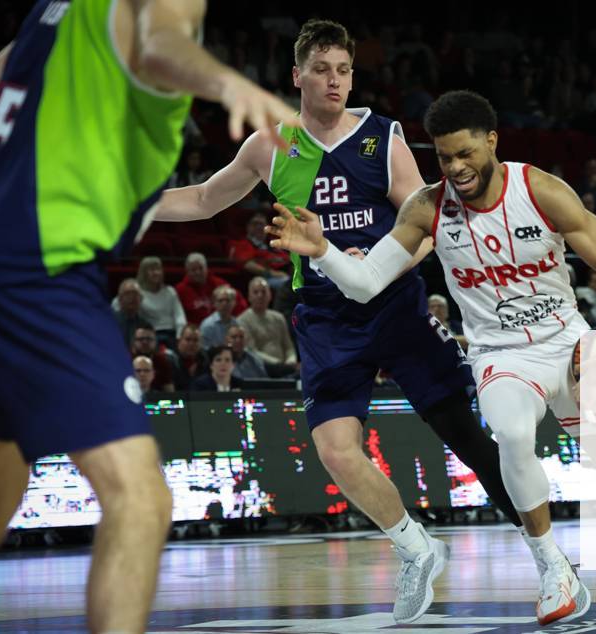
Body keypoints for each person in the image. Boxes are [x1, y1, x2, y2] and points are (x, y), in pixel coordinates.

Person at [154, 19, 524, 623]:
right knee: (335, 451)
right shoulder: (269, 146)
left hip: (395, 304)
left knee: (470, 440)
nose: (335, 80)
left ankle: (549, 559)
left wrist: (375, 262)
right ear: (297, 75)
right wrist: (129, 207)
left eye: (344, 70)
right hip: (326, 317)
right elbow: (201, 200)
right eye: (322, 69)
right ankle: (416, 548)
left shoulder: (383, 135)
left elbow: (425, 224)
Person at [266, 89, 596, 625]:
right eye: (444, 157)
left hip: (567, 344)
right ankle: (553, 568)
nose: (455, 167)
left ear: (492, 141)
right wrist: (323, 251)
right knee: (512, 434)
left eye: (465, 154)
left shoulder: (541, 190)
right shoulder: (425, 208)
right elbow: (364, 285)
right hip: (500, 355)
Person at [0, 1, 298, 632]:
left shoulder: (55, 15)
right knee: (142, 498)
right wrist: (229, 83)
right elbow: (160, 49)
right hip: (34, 263)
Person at [116, 256, 186, 347]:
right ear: (144, 272)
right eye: (152, 270)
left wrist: (180, 336)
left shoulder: (170, 291)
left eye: (158, 269)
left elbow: (179, 316)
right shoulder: (138, 292)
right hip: (151, 334)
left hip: (172, 334)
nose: (156, 273)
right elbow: (120, 303)